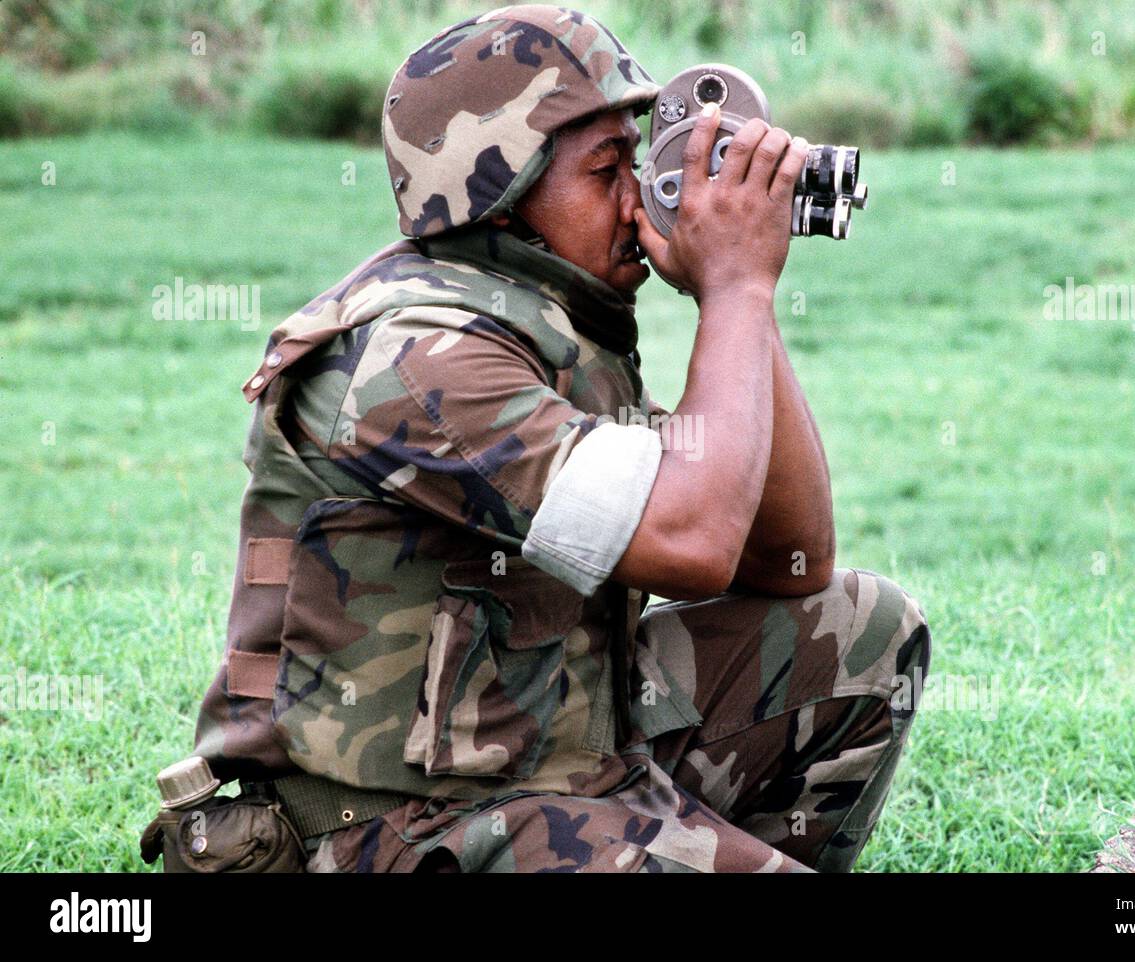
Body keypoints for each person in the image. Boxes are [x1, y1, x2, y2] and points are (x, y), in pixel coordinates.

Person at [189, 3, 931, 873]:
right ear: (499, 201)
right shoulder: (419, 358)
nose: (642, 200)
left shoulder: (550, 329)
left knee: (861, 629)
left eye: (642, 159)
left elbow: (788, 561)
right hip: (380, 827)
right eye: (608, 169)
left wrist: (736, 297)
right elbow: (691, 543)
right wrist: (737, 285)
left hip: (542, 756)